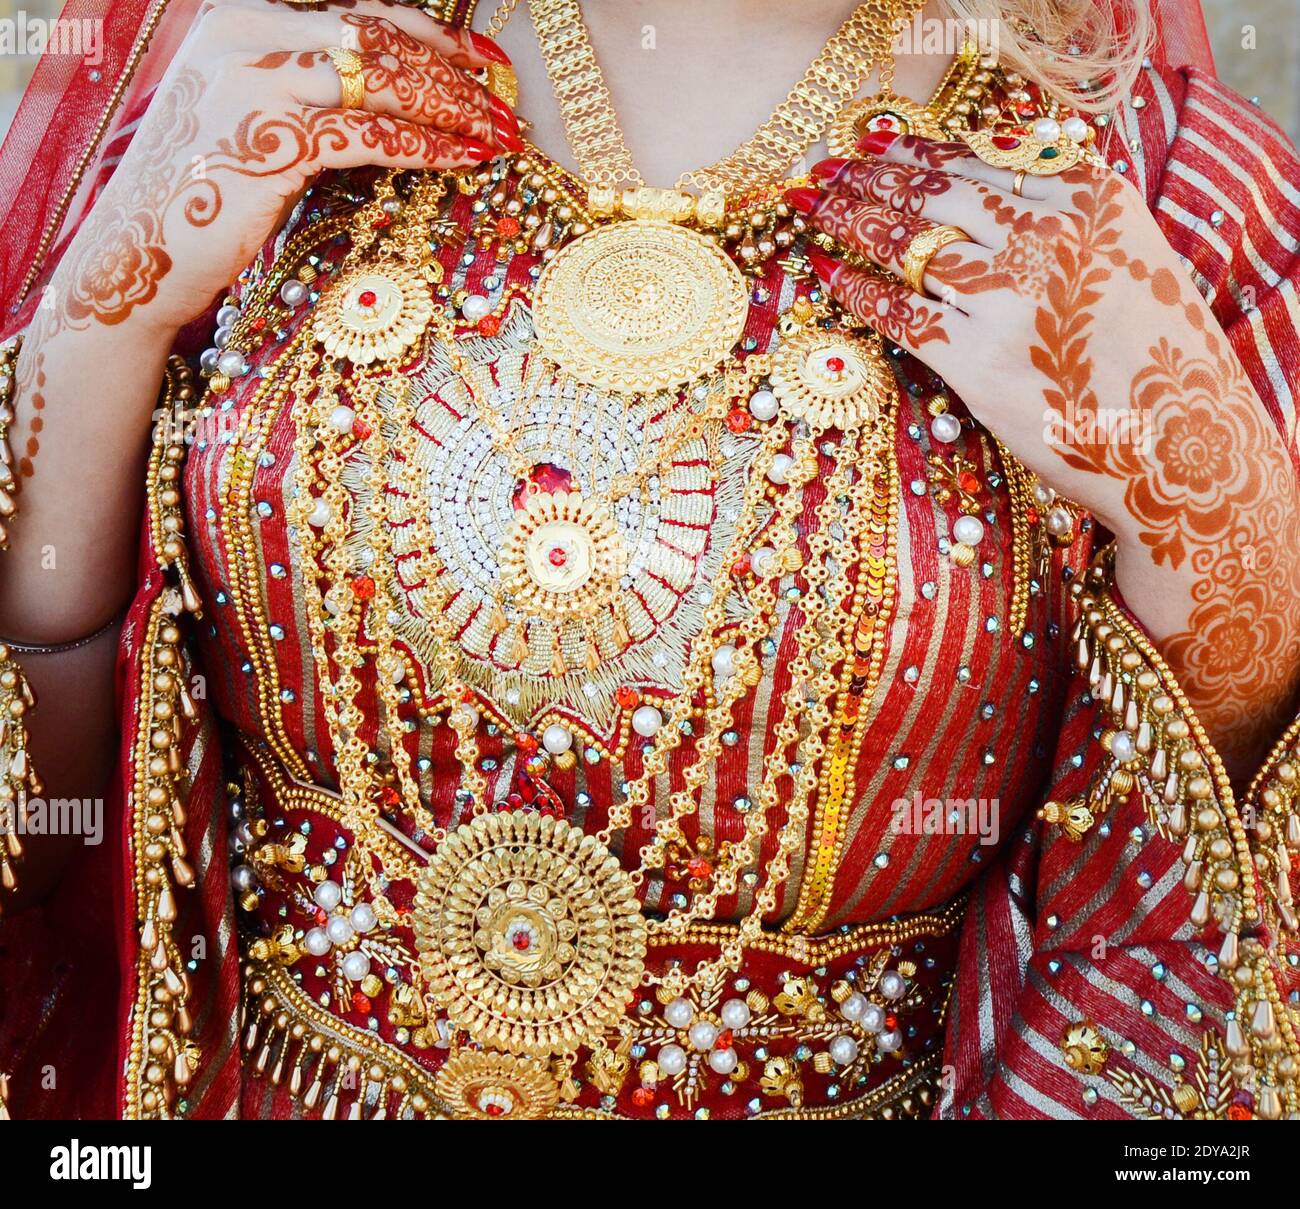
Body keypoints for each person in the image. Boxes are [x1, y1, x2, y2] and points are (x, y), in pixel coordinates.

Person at [0, 0, 1296, 1120]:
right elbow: (45, 853)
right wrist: (98, 332)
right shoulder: (278, 81)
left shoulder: (1171, 205)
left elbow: (1191, 963)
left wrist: (1206, 494)